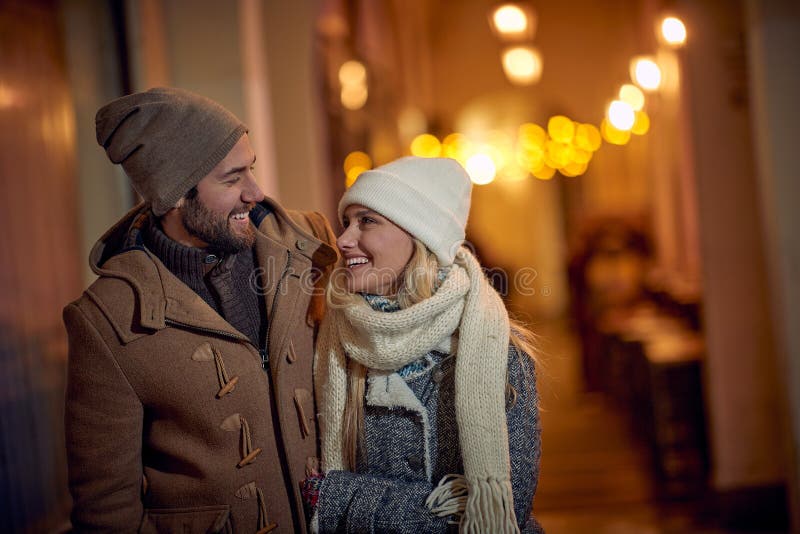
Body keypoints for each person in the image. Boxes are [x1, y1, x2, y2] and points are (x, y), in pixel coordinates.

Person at [63, 87, 338, 533]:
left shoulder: (308, 245)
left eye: (251, 168)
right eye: (232, 179)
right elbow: (106, 509)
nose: (256, 191)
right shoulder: (105, 319)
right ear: (174, 194)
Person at [306, 157, 543, 533]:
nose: (344, 239)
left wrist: (340, 497)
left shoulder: (497, 352)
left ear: (420, 238)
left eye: (367, 221)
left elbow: (500, 510)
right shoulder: (334, 342)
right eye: (346, 222)